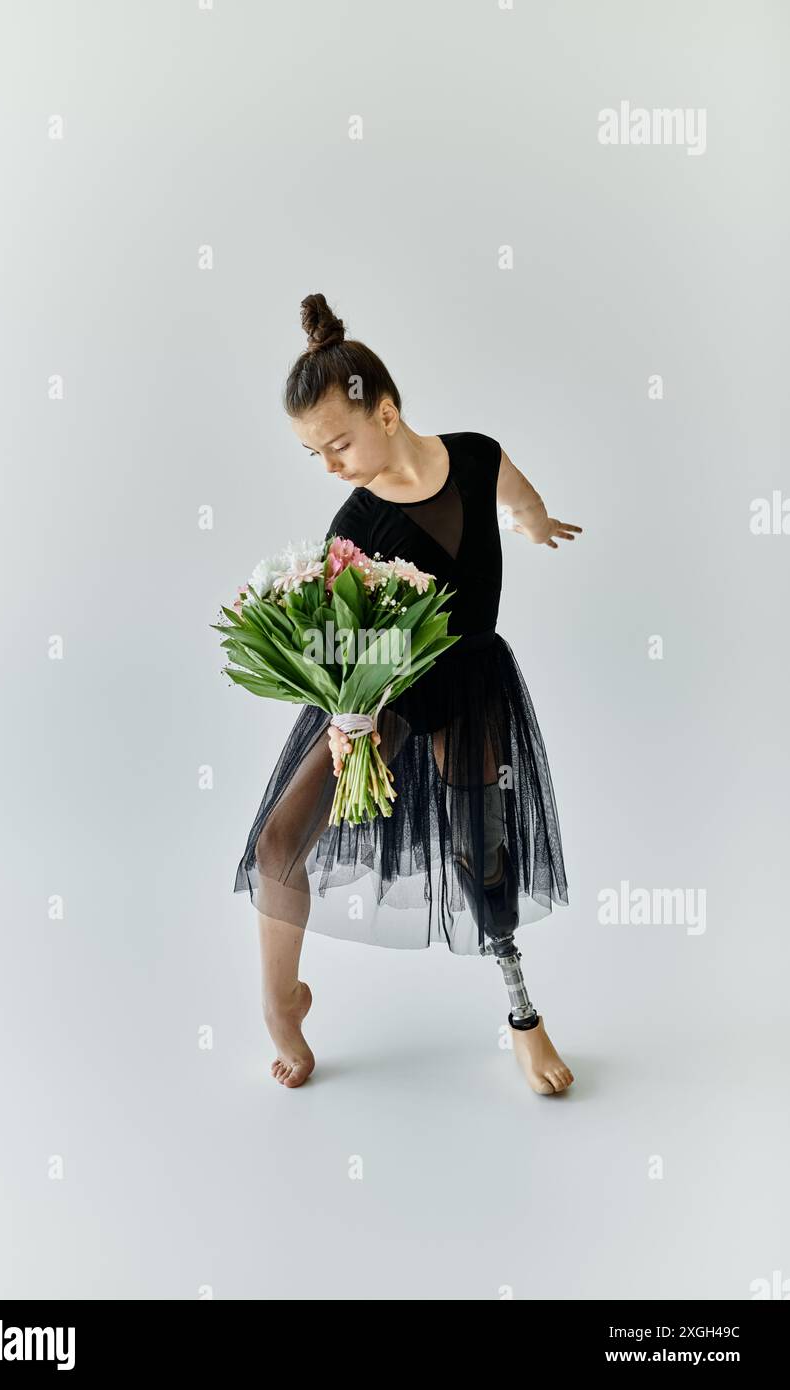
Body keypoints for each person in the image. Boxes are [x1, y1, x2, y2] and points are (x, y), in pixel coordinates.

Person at [232, 293, 582, 1093]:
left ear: (385, 412)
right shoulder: (355, 523)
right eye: (313, 455)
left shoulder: (477, 455)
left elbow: (518, 499)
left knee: (482, 854)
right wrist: (349, 722)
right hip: (377, 695)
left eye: (337, 444)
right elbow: (338, 643)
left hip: (468, 686)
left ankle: (524, 1016)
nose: (329, 465)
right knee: (278, 844)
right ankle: (280, 1004)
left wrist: (536, 523)